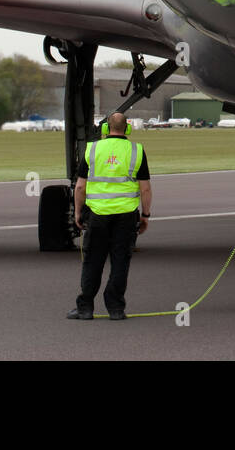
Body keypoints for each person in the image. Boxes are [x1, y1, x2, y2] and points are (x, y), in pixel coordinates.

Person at [66, 111, 151, 320]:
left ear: (105, 129)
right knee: (120, 261)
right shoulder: (136, 150)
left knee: (93, 261)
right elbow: (146, 189)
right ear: (127, 129)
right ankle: (115, 309)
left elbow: (80, 187)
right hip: (126, 216)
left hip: (97, 214)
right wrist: (146, 215)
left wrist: (77, 213)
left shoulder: (93, 149)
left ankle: (85, 308)